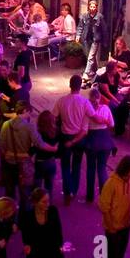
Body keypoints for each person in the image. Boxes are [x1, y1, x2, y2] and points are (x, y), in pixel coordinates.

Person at [0, 102, 56, 207]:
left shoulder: (5, 125)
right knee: (25, 193)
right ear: (24, 111)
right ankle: (24, 218)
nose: (29, 115)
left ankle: (10, 215)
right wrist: (53, 148)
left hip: (9, 164)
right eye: (29, 113)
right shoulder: (29, 127)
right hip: (23, 164)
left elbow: (2, 146)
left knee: (10, 192)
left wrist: (8, 155)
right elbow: (40, 144)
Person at [53, 74, 96, 206]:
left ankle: (67, 192)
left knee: (65, 165)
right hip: (79, 138)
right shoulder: (84, 102)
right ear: (80, 86)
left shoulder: (61, 101)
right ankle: (74, 190)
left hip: (66, 137)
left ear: (70, 85)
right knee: (76, 165)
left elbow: (53, 117)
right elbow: (93, 116)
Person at [18, 188, 65, 258]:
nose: (47, 204)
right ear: (35, 202)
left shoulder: (53, 211)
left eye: (48, 201)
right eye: (44, 202)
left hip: (53, 254)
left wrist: (60, 246)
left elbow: (58, 231)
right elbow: (26, 237)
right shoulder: (28, 216)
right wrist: (27, 246)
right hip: (36, 255)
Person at [83, 87, 117, 203]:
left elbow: (85, 128)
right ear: (99, 98)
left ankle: (89, 196)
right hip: (105, 141)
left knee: (91, 169)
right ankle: (104, 197)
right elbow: (112, 124)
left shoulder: (87, 112)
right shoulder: (106, 108)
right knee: (102, 169)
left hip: (92, 142)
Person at [34, 109, 61, 199]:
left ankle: (37, 206)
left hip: (40, 161)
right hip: (51, 162)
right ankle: (48, 206)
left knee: (37, 187)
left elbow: (34, 148)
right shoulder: (56, 132)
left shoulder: (38, 132)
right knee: (49, 187)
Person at [78, 0, 105, 86]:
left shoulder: (100, 17)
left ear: (96, 8)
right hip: (86, 38)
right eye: (91, 6)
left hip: (95, 39)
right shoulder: (84, 16)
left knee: (91, 56)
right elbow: (80, 26)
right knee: (88, 55)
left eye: (94, 7)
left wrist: (105, 41)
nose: (92, 8)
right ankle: (96, 71)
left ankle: (86, 74)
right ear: (89, 7)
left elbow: (104, 29)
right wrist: (78, 36)